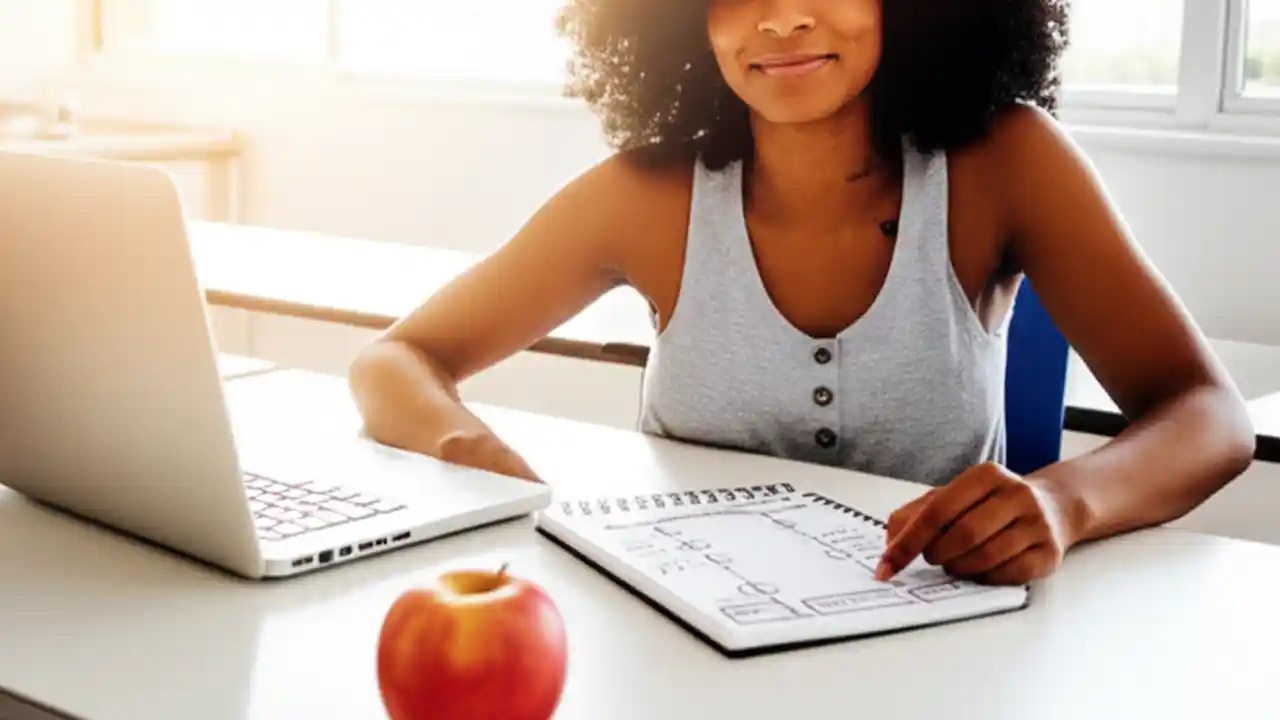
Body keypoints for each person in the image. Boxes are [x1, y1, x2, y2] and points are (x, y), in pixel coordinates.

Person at [349, 0, 1255, 586]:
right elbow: (397, 359)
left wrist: (1064, 500)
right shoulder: (644, 197)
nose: (780, 19)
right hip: (683, 631)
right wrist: (460, 442)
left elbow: (1208, 414)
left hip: (932, 646)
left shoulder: (1007, 165)